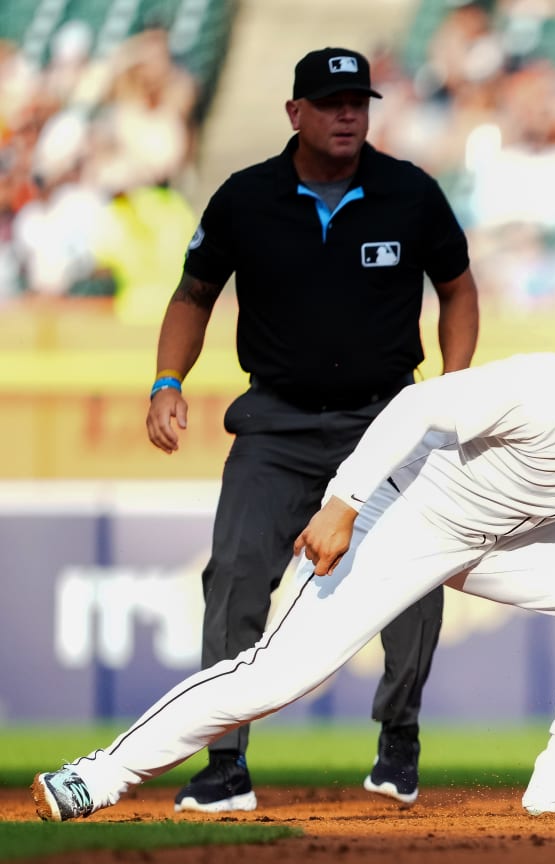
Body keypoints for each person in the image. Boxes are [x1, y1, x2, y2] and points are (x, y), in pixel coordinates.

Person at [36, 324, 555, 822]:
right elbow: (418, 404)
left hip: (502, 540)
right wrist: (341, 499)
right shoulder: (550, 391)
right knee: (276, 676)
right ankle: (97, 776)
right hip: (405, 520)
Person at [141, 47, 481, 812]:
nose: (347, 115)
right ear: (295, 113)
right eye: (329, 103)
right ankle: (224, 763)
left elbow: (459, 290)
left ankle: (399, 739)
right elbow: (192, 295)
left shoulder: (410, 193)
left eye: (358, 101)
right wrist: (168, 381)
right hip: (276, 424)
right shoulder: (244, 199)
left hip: (387, 421)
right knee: (232, 579)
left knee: (416, 583)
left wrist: (454, 388)